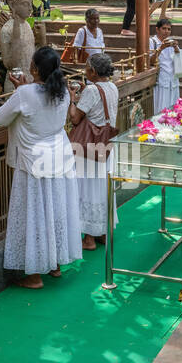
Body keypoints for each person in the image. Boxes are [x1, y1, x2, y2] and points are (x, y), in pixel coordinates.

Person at [0, 46, 82, 289]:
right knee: (56, 208)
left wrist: (21, 91)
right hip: (58, 156)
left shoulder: (25, 94)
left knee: (34, 214)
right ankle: (54, 264)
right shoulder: (63, 91)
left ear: (33, 69)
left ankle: (34, 275)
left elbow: (0, 118)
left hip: (33, 160)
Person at [69, 53, 119, 251]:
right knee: (103, 188)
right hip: (106, 144)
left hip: (90, 147)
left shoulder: (91, 90)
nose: (84, 71)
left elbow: (75, 118)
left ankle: (89, 237)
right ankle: (104, 232)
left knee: (88, 189)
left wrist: (73, 100)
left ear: (94, 71)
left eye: (87, 68)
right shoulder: (112, 86)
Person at [151, 17, 181, 114]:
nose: (166, 31)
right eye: (164, 28)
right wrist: (161, 48)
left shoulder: (171, 42)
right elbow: (150, 61)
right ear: (157, 29)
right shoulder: (152, 42)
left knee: (173, 107)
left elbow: (179, 62)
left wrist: (176, 49)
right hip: (160, 80)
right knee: (161, 106)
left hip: (173, 80)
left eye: (169, 29)